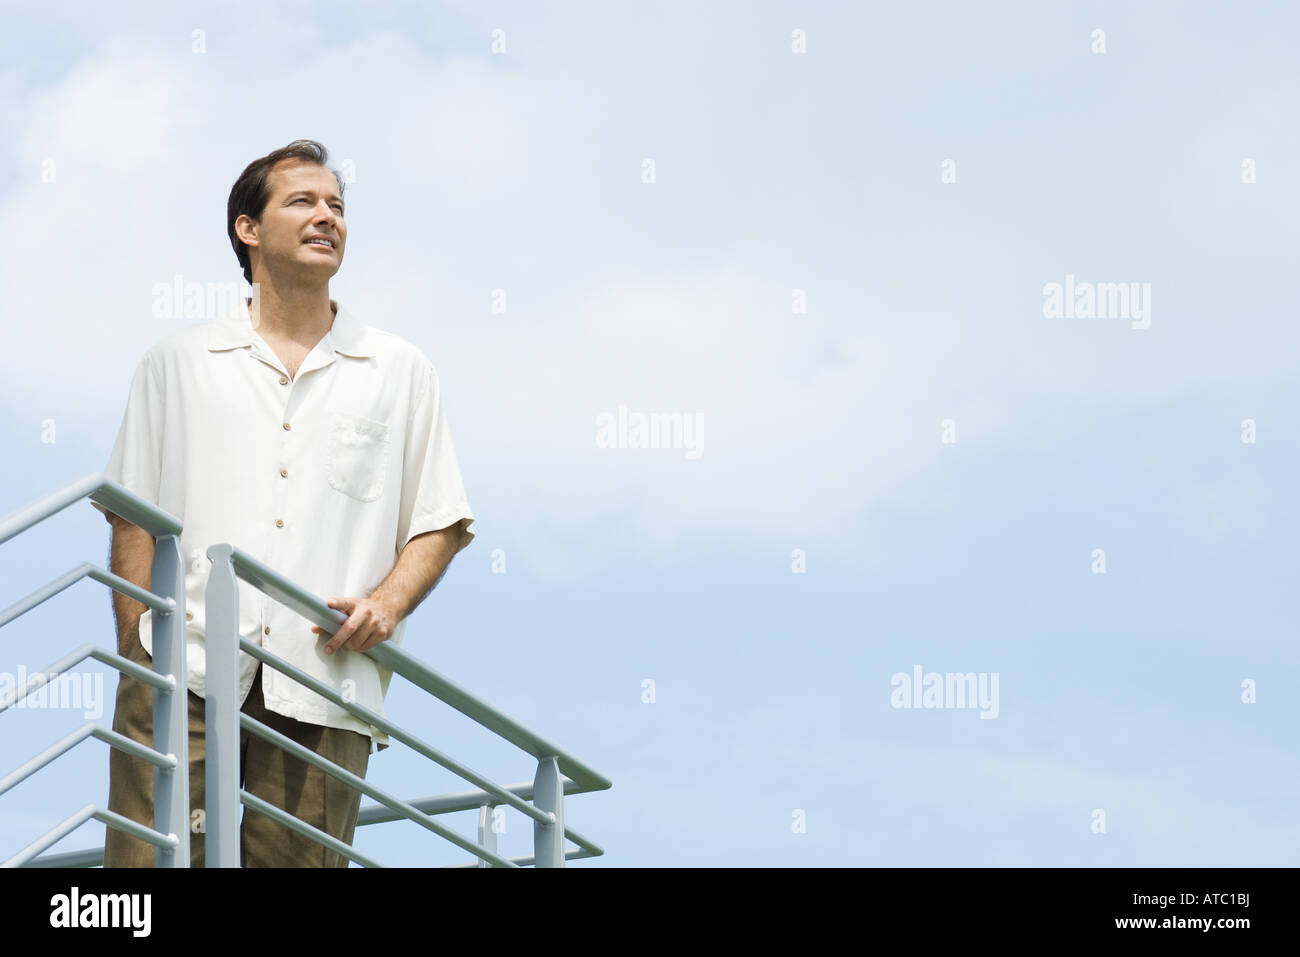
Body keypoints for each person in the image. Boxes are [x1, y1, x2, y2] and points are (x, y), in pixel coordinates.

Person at [95, 139, 476, 867]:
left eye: (337, 205)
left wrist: (387, 605)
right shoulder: (176, 363)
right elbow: (133, 515)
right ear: (248, 228)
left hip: (325, 678)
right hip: (183, 668)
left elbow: (440, 520)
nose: (326, 216)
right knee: (145, 873)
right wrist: (138, 644)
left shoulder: (401, 370)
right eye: (303, 201)